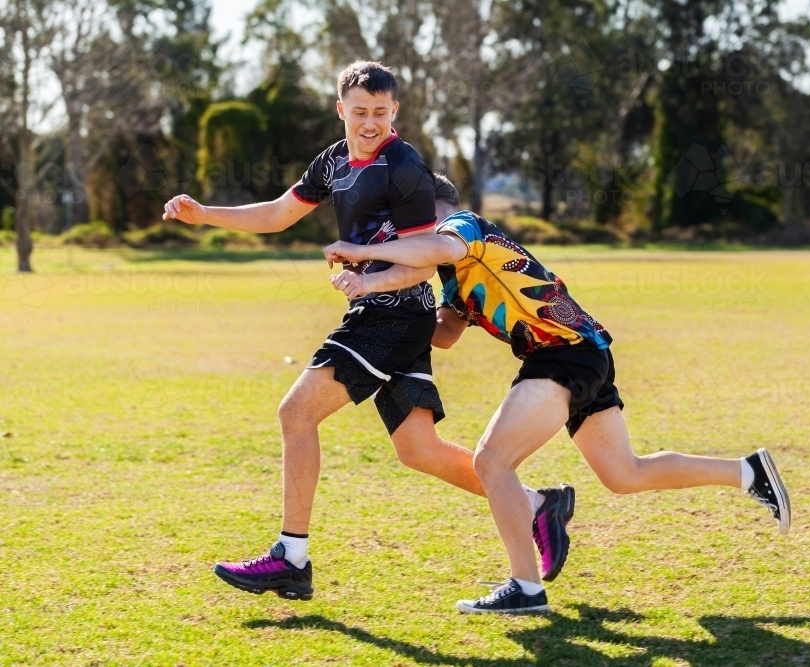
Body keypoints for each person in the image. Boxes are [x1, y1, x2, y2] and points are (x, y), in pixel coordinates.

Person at [161, 62, 573, 602]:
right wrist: (205, 214)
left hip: (394, 316)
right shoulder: (332, 162)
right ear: (341, 111)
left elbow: (424, 263)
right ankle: (538, 505)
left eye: (381, 112)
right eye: (360, 112)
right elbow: (281, 213)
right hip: (395, 317)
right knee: (419, 451)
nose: (371, 122)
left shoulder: (405, 167)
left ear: (394, 111)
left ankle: (291, 557)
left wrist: (366, 283)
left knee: (296, 411)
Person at [324, 173, 791, 614]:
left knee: (492, 462)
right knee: (624, 474)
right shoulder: (453, 276)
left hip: (562, 353)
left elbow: (440, 244)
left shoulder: (460, 228)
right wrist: (381, 304)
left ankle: (525, 588)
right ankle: (748, 472)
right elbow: (444, 333)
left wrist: (368, 256)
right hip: (580, 354)